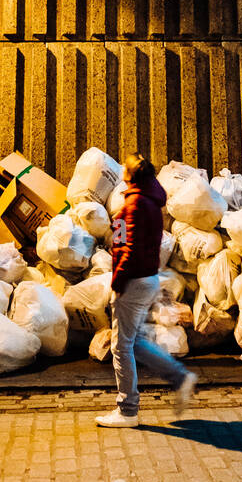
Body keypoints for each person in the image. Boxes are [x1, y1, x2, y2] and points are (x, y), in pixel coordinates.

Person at [96, 153, 197, 428]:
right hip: (148, 279)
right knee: (134, 342)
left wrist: (117, 282)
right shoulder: (152, 202)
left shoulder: (133, 205)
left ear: (130, 176)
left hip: (133, 281)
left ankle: (128, 409)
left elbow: (125, 250)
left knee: (121, 346)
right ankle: (179, 377)